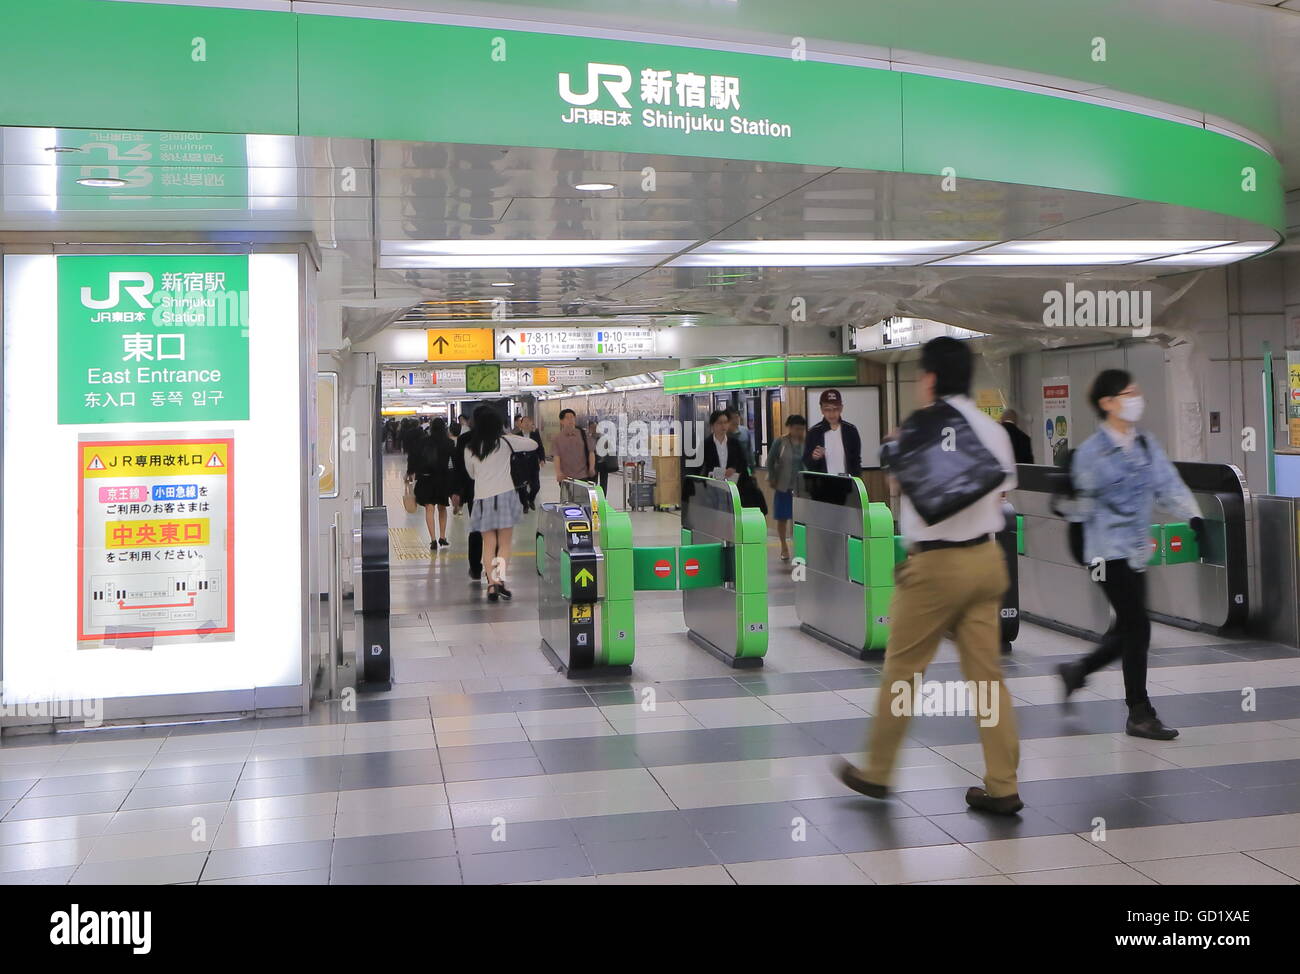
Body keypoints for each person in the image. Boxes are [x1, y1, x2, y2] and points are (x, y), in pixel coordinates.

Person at [835, 337, 1023, 815]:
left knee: (904, 671)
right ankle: (1003, 785)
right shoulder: (994, 430)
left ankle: (877, 772)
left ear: (931, 379)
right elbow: (1002, 493)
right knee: (987, 680)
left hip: (937, 567)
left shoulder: (915, 431)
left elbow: (903, 487)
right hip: (987, 561)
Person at [1056, 370, 1204, 741]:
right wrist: (1068, 497)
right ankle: (1139, 712)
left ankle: (1078, 671)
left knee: (1126, 629)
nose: (1136, 398)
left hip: (1135, 551)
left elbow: (1168, 485)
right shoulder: (1091, 453)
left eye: (1136, 391)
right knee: (1138, 626)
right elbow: (1077, 508)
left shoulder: (1145, 445)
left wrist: (1194, 515)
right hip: (1104, 554)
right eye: (1128, 393)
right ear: (1107, 403)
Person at [461, 407, 540, 602]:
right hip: (505, 495)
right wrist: (507, 435)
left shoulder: (470, 448)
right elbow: (532, 444)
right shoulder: (505, 442)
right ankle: (500, 580)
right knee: (504, 544)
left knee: (489, 544)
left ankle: (490, 585)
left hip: (482, 498)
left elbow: (471, 474)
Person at [803, 389, 862, 505]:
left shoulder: (851, 431)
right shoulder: (814, 432)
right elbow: (807, 462)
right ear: (821, 410)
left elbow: (856, 460)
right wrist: (814, 458)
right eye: (827, 409)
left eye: (835, 409)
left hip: (846, 486)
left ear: (841, 408)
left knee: (846, 521)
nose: (832, 413)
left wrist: (856, 483)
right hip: (821, 488)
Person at [406, 417, 455, 550]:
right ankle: (443, 537)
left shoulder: (423, 442)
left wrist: (410, 471)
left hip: (426, 478)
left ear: (431, 428)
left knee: (429, 508)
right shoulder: (449, 443)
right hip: (442, 479)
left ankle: (433, 539)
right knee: (442, 507)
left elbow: (413, 457)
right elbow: (454, 462)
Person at [767, 415, 806, 562]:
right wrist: (772, 476)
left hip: (800, 488)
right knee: (782, 517)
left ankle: (799, 547)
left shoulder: (805, 443)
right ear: (789, 427)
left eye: (802, 429)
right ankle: (784, 546)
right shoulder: (781, 442)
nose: (799, 432)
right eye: (796, 429)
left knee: (798, 520)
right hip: (783, 485)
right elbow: (770, 460)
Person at [450, 412, 484, 581]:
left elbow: (459, 468)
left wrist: (457, 491)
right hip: (497, 491)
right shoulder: (499, 440)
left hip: (474, 491)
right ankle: (496, 572)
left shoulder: (464, 440)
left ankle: (476, 567)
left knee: (476, 528)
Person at [553, 408, 594, 484]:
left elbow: (591, 452)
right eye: (567, 418)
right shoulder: (557, 438)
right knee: (567, 496)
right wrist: (558, 473)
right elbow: (556, 457)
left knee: (582, 496)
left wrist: (591, 468)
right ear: (561, 421)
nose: (570, 420)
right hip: (565, 477)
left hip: (583, 475)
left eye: (572, 417)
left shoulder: (584, 435)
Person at [513, 415, 544, 511]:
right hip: (521, 466)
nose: (526, 424)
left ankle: (531, 499)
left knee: (536, 486)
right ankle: (525, 505)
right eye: (524, 422)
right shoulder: (516, 436)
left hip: (533, 464)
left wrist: (542, 459)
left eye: (528, 422)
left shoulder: (535, 435)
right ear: (520, 424)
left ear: (531, 424)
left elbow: (540, 448)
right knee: (521, 488)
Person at [588, 420, 617, 496]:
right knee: (593, 482)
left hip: (603, 463)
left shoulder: (604, 438)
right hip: (593, 463)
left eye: (596, 427)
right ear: (589, 428)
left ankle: (603, 497)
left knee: (603, 482)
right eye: (592, 427)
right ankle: (593, 497)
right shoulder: (588, 439)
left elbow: (610, 448)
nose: (594, 429)